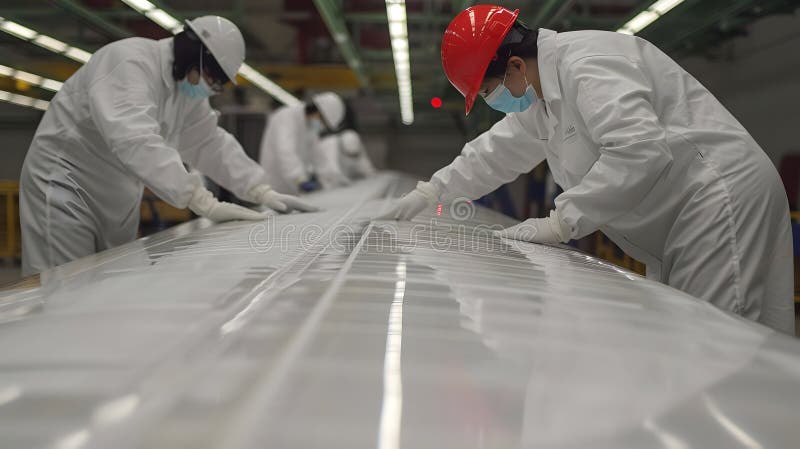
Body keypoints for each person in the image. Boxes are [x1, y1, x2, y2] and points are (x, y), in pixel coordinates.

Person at [380, 5, 794, 334]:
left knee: (720, 348)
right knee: (704, 345)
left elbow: (640, 151)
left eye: (489, 91)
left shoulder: (590, 63)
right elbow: (494, 152)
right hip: (682, 220)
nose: (493, 100)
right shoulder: (543, 98)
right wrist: (431, 192)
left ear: (516, 67)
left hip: (718, 201)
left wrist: (562, 223)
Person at [19, 16, 317, 276]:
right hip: (66, 189)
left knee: (109, 289)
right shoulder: (129, 61)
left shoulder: (184, 93)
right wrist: (201, 200)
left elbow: (209, 143)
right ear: (194, 55)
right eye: (212, 78)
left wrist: (259, 189)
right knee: (62, 293)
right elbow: (135, 139)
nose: (211, 89)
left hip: (117, 199)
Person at [258, 92, 345, 194]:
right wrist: (299, 178)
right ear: (317, 112)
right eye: (323, 122)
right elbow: (285, 152)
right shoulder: (286, 117)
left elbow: (318, 155)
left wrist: (332, 177)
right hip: (276, 185)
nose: (322, 127)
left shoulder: (310, 127)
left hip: (294, 186)